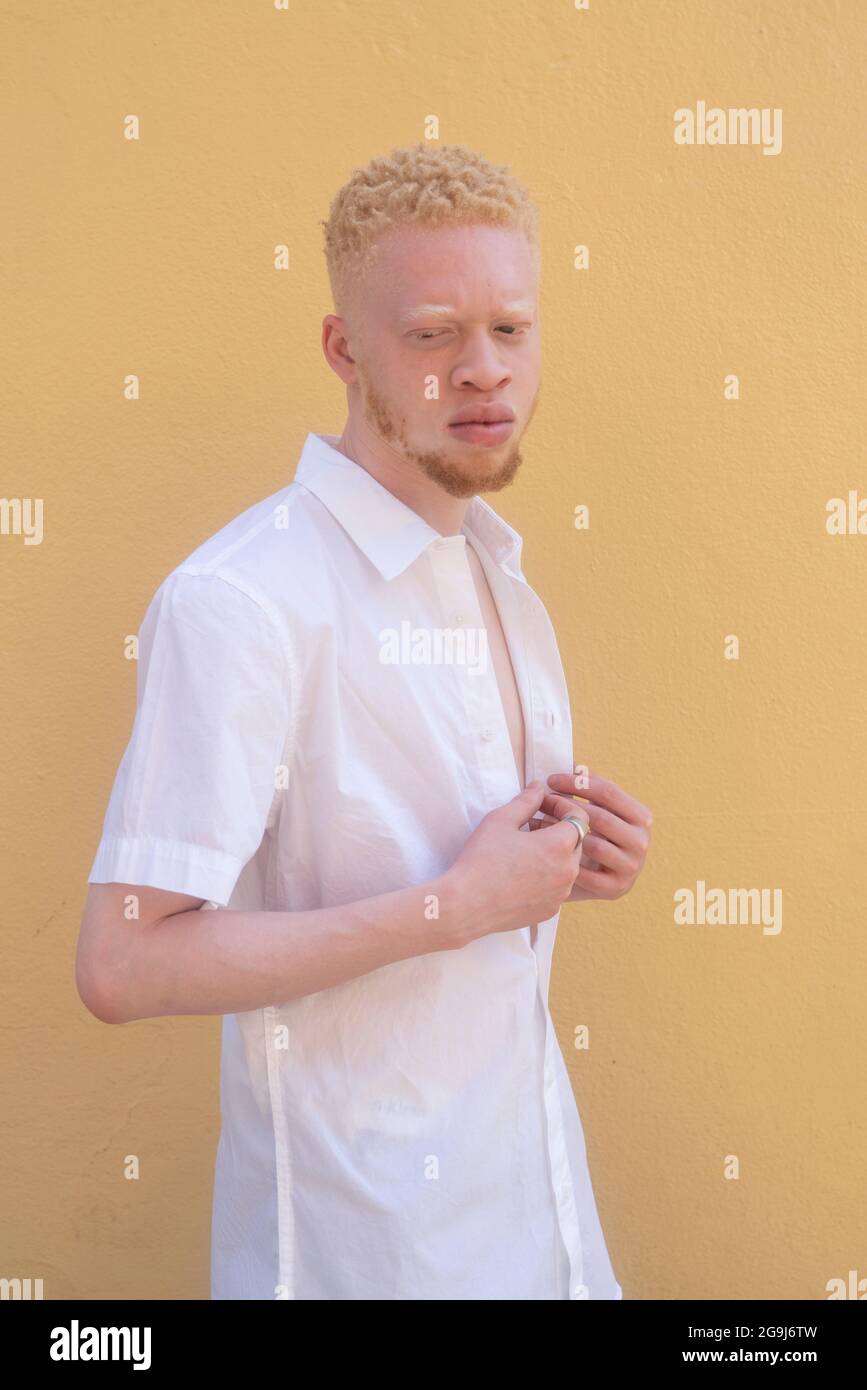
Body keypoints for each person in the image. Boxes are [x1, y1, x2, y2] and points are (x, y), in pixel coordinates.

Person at [77, 142, 652, 1301]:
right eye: (433, 333)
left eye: (512, 329)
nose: (483, 371)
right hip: (368, 1259)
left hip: (544, 1229)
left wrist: (558, 856)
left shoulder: (492, 565)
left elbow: (453, 876)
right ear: (345, 349)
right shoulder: (243, 599)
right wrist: (455, 905)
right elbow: (124, 961)